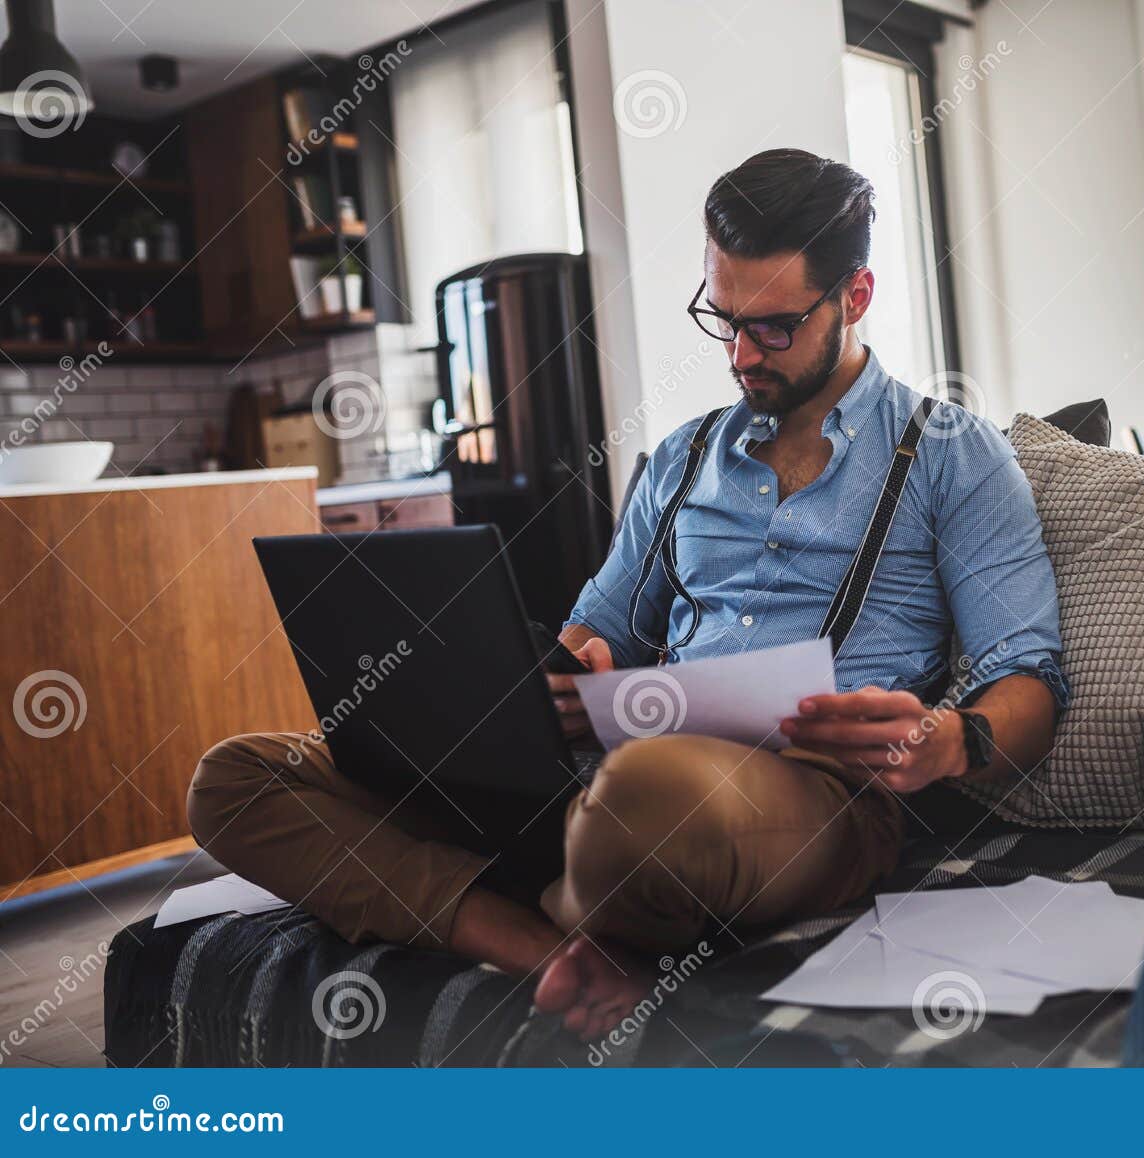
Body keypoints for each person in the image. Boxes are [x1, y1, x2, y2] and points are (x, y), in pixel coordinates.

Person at [188, 148, 1065, 1040]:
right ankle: (542, 942)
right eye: (721, 319)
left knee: (641, 799)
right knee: (233, 779)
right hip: (624, 775)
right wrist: (564, 674)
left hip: (815, 799)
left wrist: (954, 738)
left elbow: (1029, 673)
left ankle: (525, 879)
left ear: (857, 296)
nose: (739, 354)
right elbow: (599, 627)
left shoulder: (952, 451)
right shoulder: (684, 458)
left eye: (772, 328)